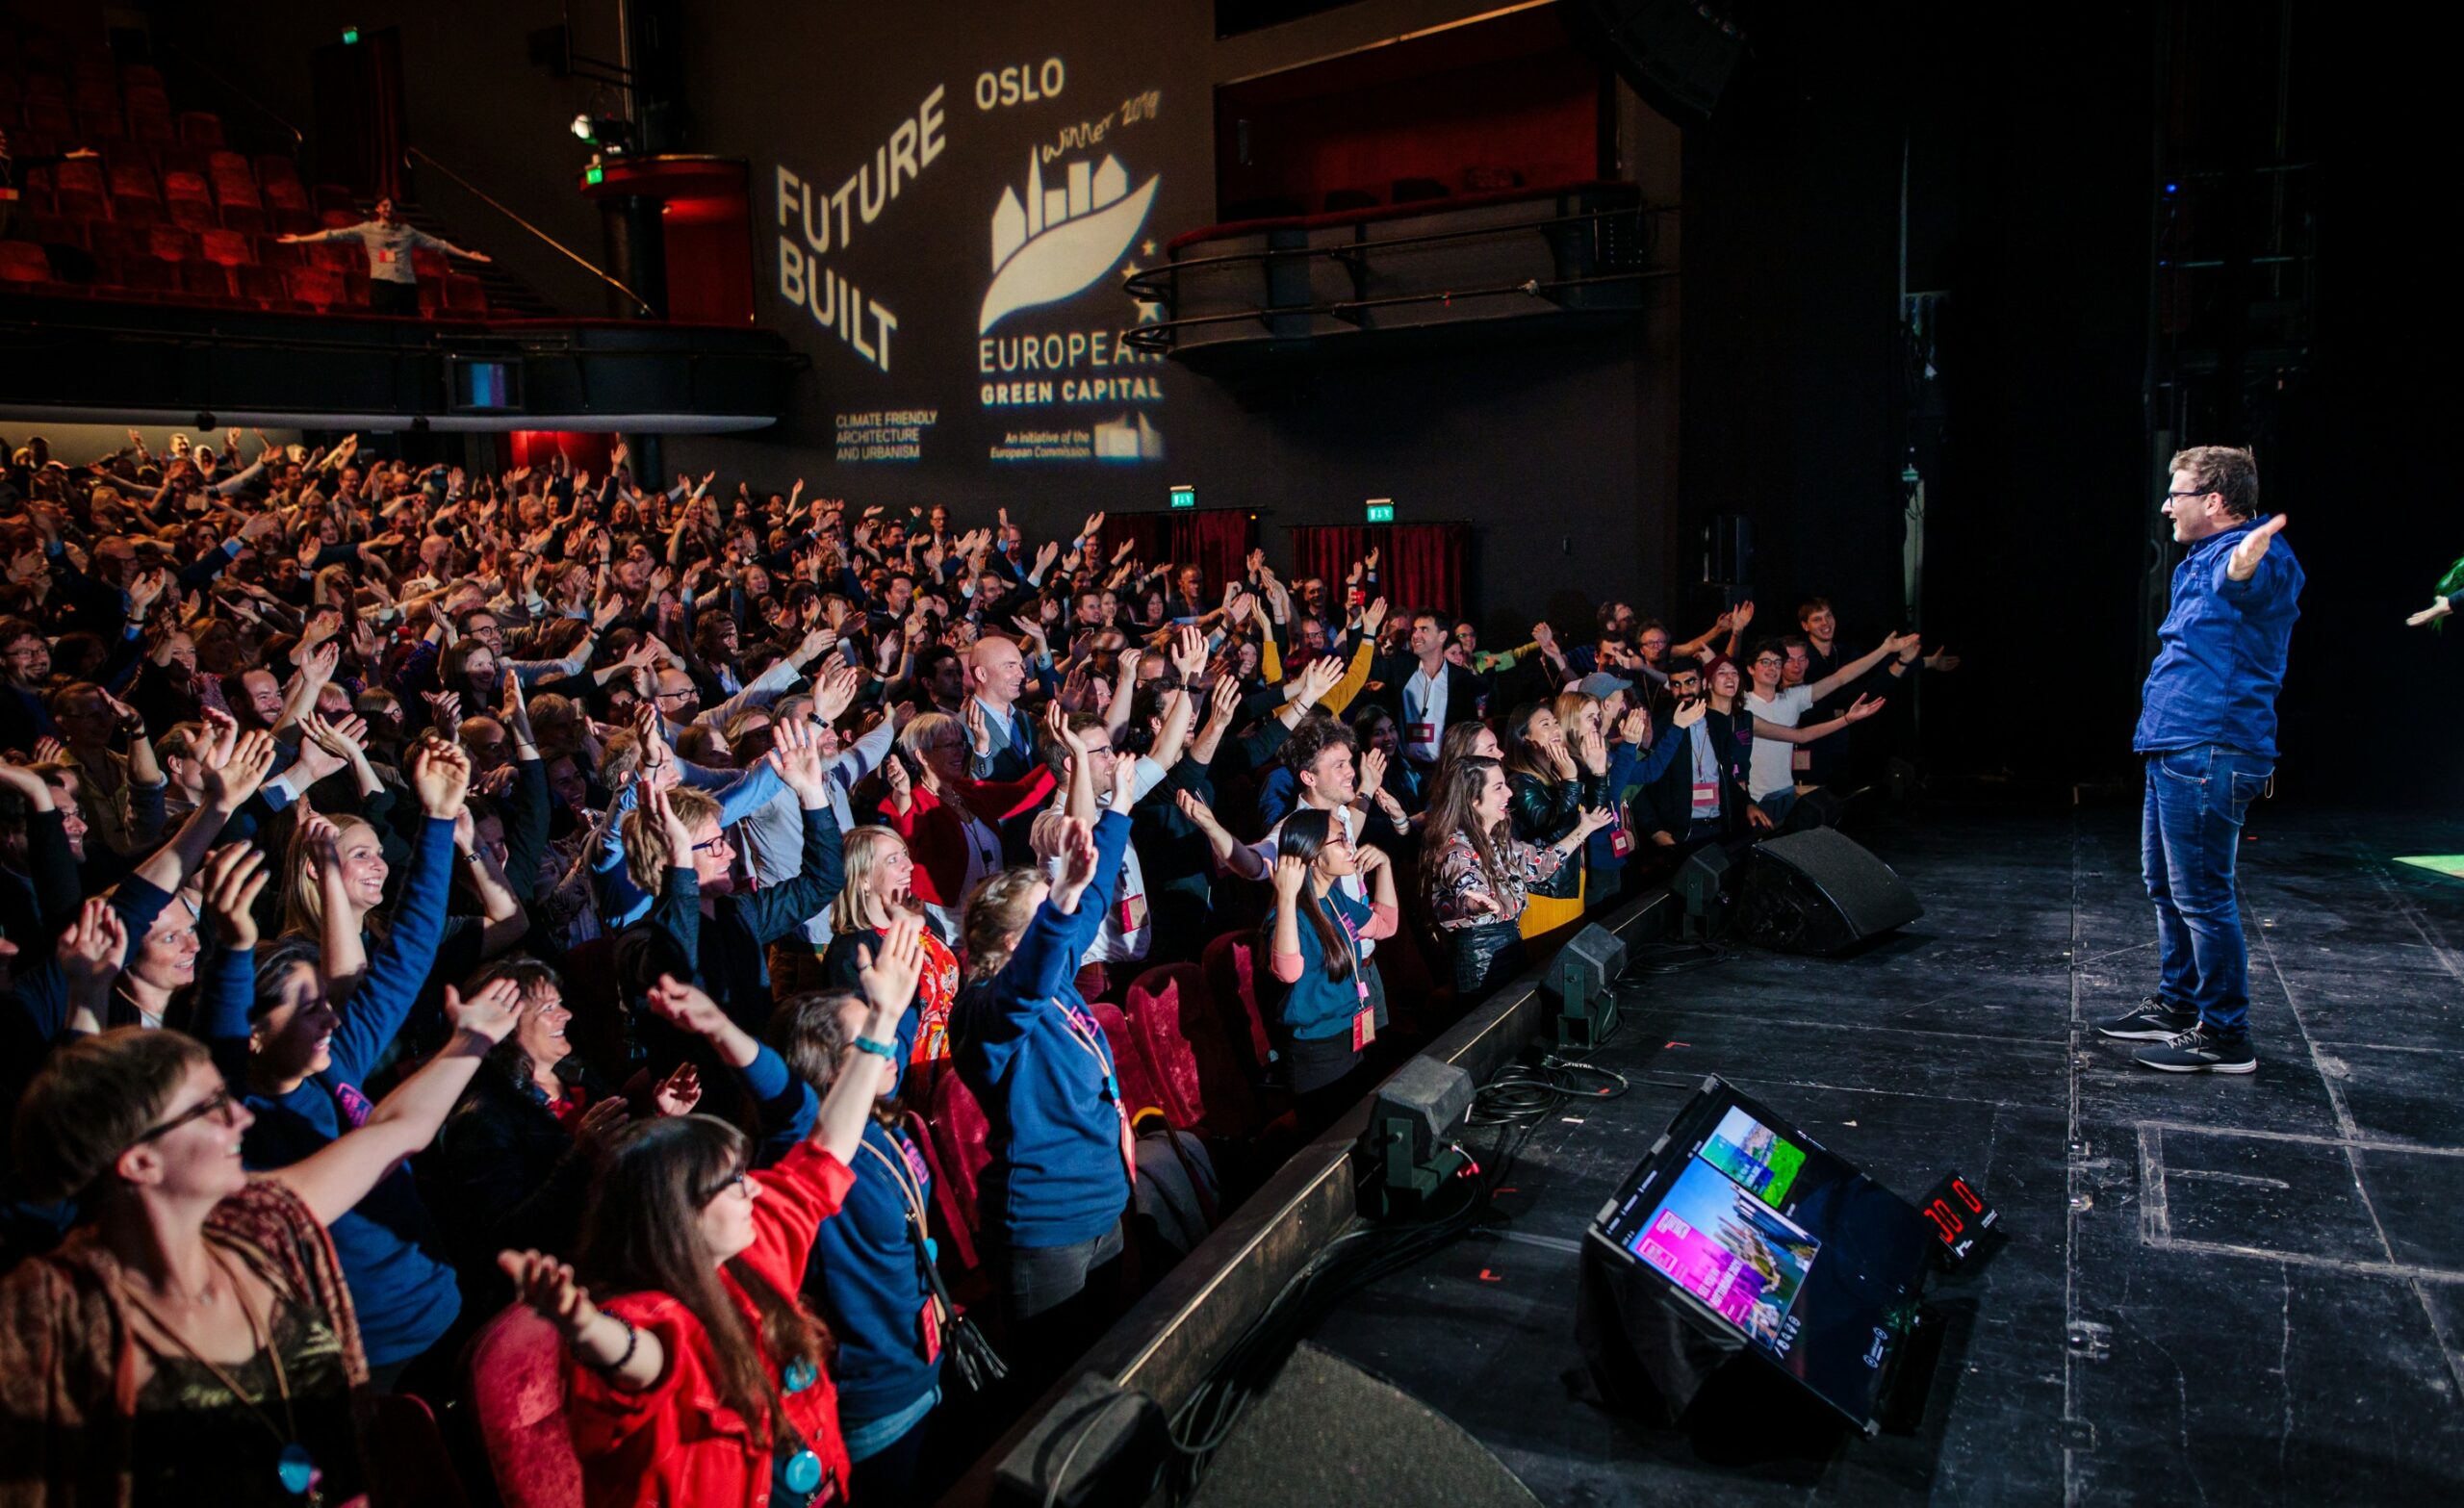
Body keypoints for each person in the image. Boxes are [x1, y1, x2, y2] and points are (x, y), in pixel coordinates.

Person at [0, 979, 522, 1505]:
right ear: (138, 1161)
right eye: (211, 1108)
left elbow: (399, 1129)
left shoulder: (258, 1223)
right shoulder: (55, 1319)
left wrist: (470, 1040)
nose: (242, 1117)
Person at [495, 927, 915, 1508]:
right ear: (677, 1213)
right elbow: (646, 1358)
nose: (753, 1190)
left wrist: (883, 1022)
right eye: (732, 1181)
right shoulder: (646, 1310)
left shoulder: (758, 1239)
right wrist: (586, 1330)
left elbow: (825, 1149)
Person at [2097, 446, 2298, 1073]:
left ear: (2213, 501)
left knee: (2203, 894)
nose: (2165, 504)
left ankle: (2225, 1032)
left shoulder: (2261, 556)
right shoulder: (2195, 559)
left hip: (2212, 746)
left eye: (2176, 492)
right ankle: (2179, 1004)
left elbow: (2246, 579)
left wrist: (2243, 564)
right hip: (2175, 743)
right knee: (2166, 884)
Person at [950, 767, 1138, 1371]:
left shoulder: (1052, 967)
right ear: (1009, 943)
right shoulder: (982, 1011)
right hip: (1045, 1224)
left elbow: (1098, 891)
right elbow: (1022, 996)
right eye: (1043, 920)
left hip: (1104, 1201)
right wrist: (1058, 900)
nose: (1060, 925)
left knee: (1114, 1360)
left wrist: (1120, 811)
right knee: (1056, 1387)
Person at [1424, 755, 1611, 995]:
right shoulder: (1457, 849)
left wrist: (1584, 828)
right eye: (1498, 788)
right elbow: (1467, 886)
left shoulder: (1496, 840)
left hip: (1510, 941)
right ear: (1473, 799)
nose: (1509, 794)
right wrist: (1475, 903)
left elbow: (1540, 864)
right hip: (1482, 954)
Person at [1263, 808, 1399, 1124]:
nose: (1350, 846)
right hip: (1318, 1053)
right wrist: (1285, 897)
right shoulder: (1290, 914)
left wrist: (1385, 867)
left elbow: (1385, 926)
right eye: (1340, 840)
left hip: (1352, 1035)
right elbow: (1289, 972)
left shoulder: (1334, 900)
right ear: (1312, 856)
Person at [275, 196, 493, 319]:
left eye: (391, 205)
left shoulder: (407, 231)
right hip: (382, 283)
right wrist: (299, 239)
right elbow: (332, 235)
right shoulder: (367, 229)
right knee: (383, 321)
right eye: (384, 205)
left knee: (410, 323)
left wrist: (468, 255)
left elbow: (438, 244)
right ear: (378, 208)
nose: (388, 208)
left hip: (406, 285)